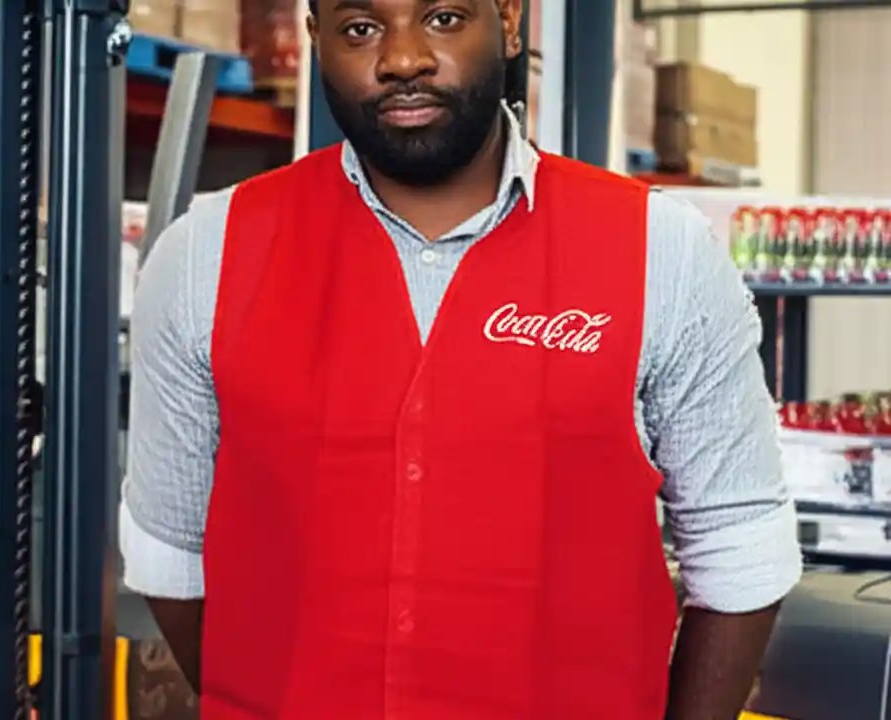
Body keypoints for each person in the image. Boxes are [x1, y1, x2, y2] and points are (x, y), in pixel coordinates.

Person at [120, 0, 802, 717]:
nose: (403, 59)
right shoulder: (206, 256)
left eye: (443, 18)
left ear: (507, 21)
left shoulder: (663, 251)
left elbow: (741, 547)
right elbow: (168, 555)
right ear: (318, 40)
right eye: (361, 29)